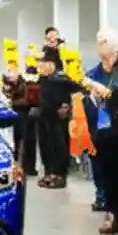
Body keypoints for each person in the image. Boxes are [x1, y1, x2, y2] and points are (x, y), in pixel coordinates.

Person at [83, 30, 118, 235]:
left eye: (105, 41)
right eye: (98, 41)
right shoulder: (94, 72)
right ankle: (110, 212)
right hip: (99, 128)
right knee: (105, 172)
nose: (100, 45)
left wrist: (106, 92)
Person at [37, 47, 80, 189]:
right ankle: (49, 172)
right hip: (45, 116)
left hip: (58, 118)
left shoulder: (61, 79)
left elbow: (77, 88)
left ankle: (59, 174)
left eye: (44, 62)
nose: (40, 65)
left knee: (59, 145)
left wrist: (67, 105)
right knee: (46, 146)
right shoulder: (43, 80)